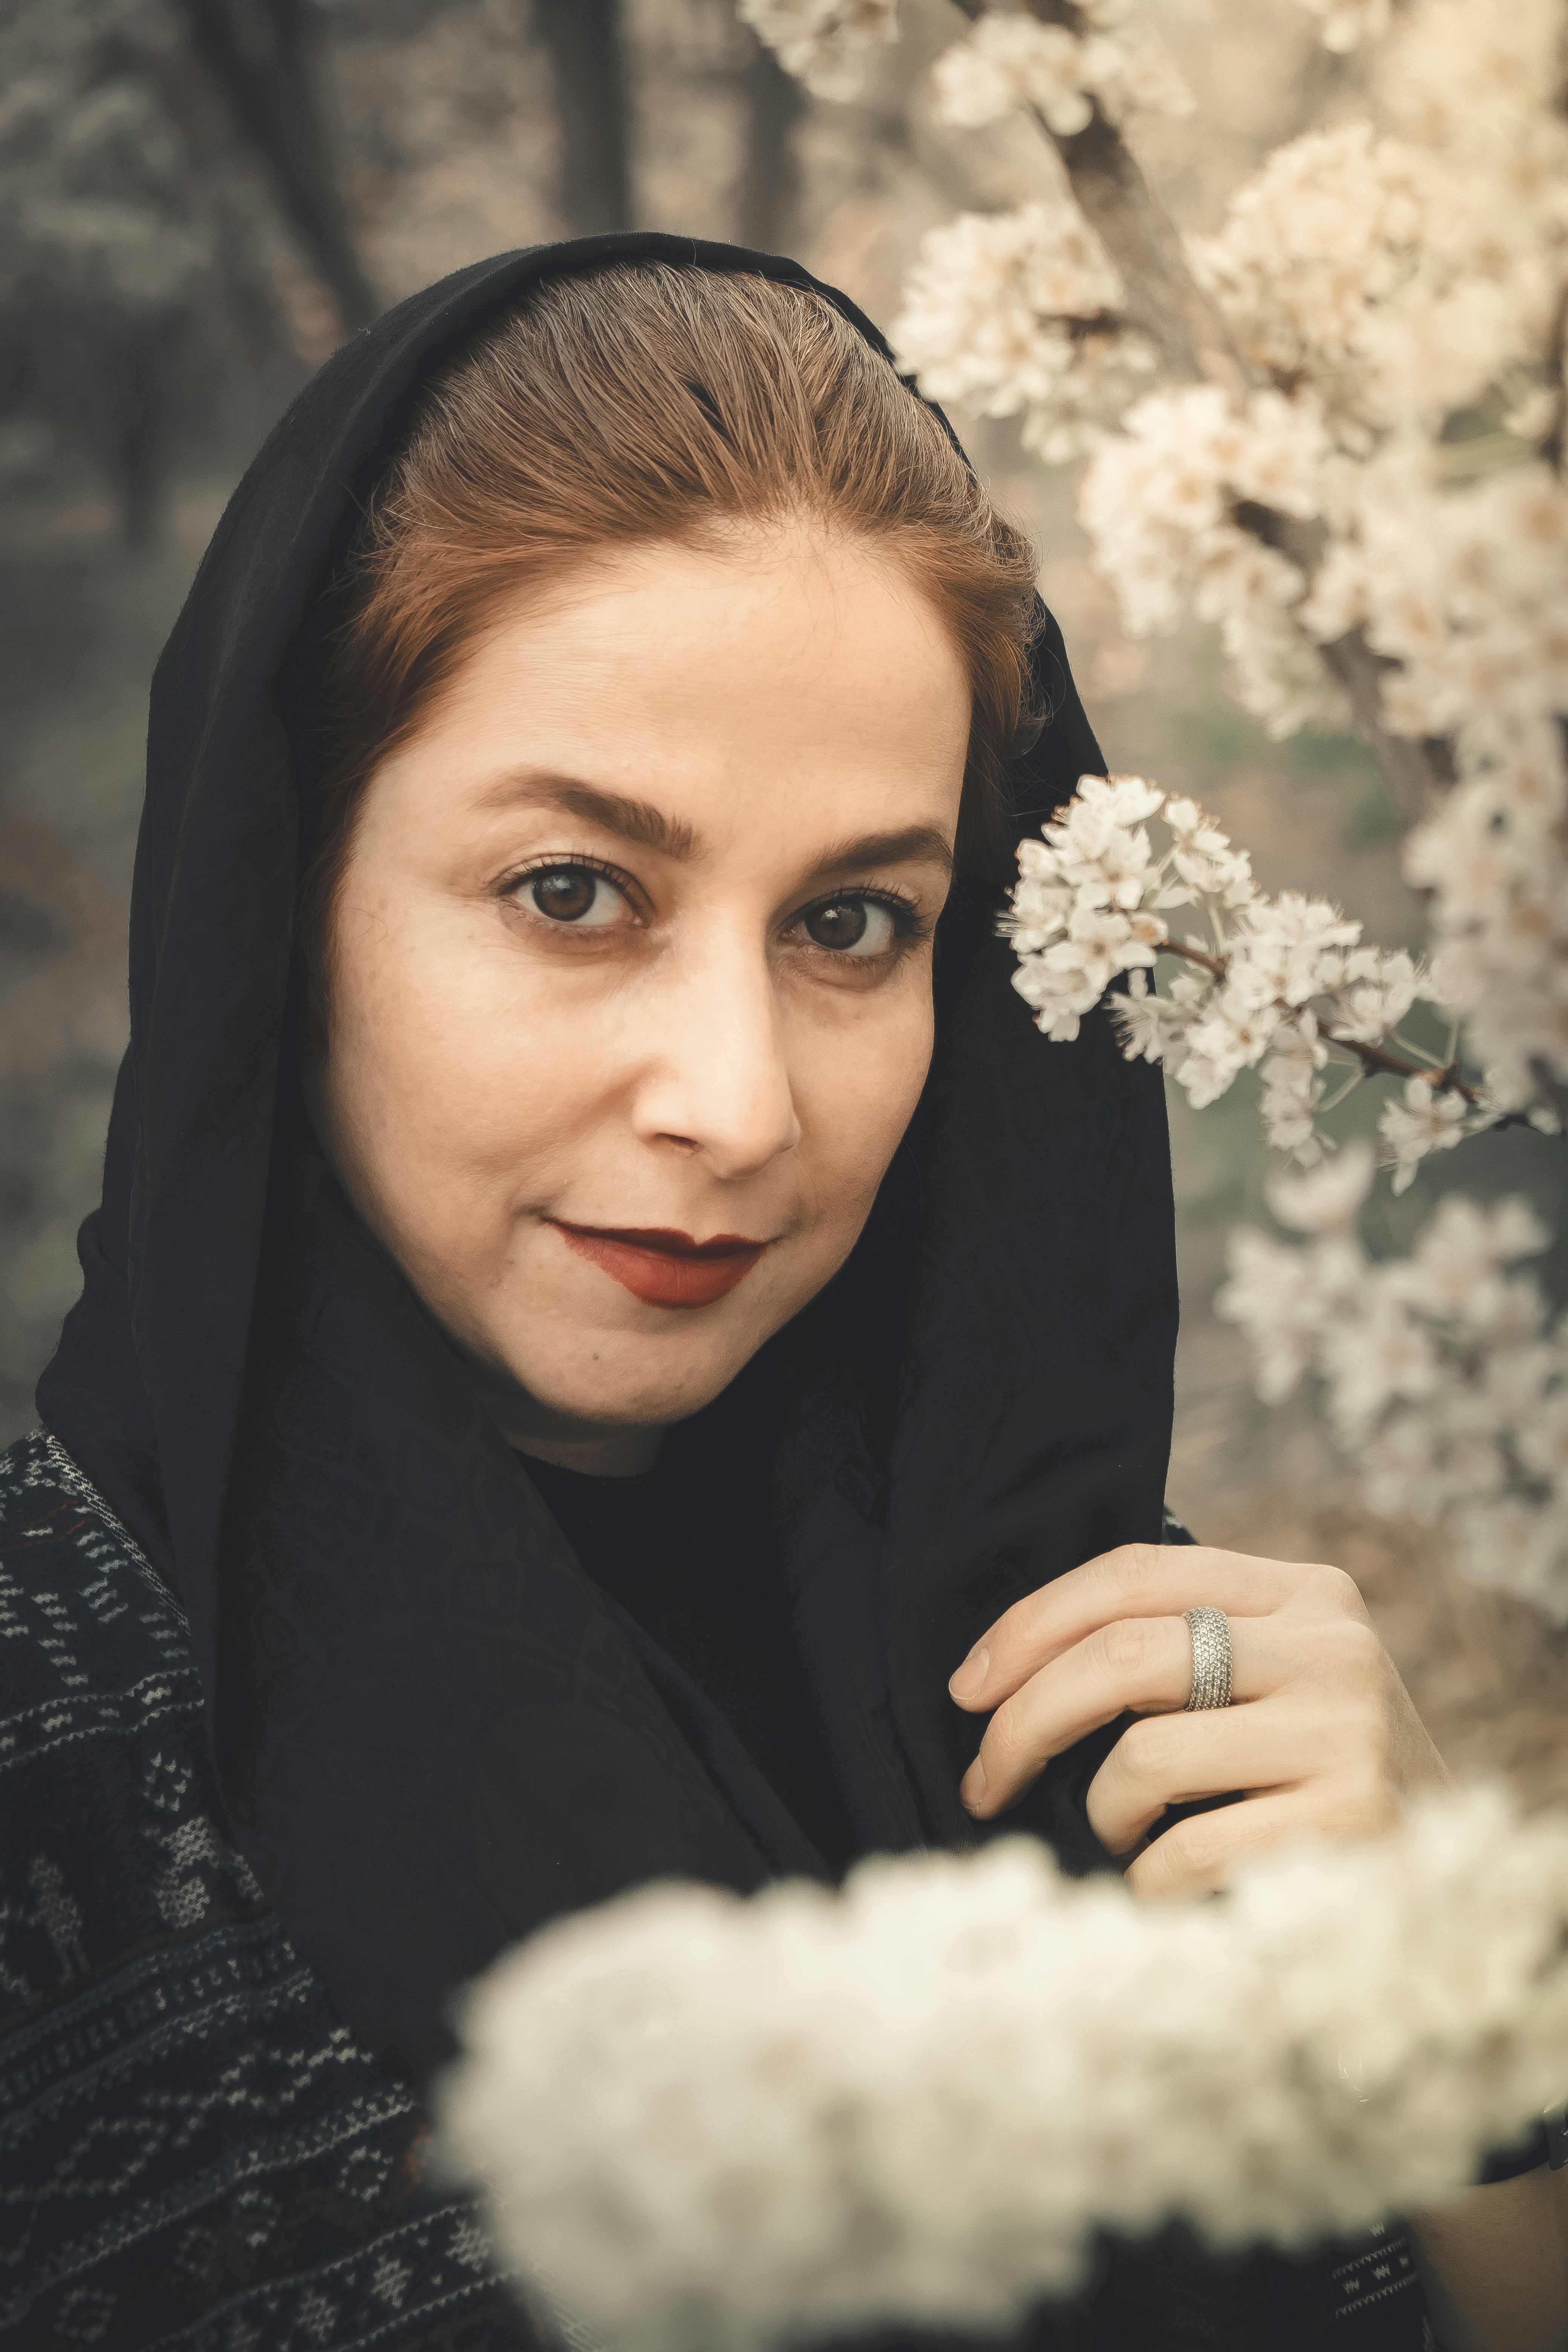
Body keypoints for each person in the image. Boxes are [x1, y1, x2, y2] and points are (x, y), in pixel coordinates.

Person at [1, 236, 1560, 2352]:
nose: (738, 1107)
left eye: (851, 924)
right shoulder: (51, 1764)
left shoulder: (1117, 1690)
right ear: (285, 895)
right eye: (574, 893)